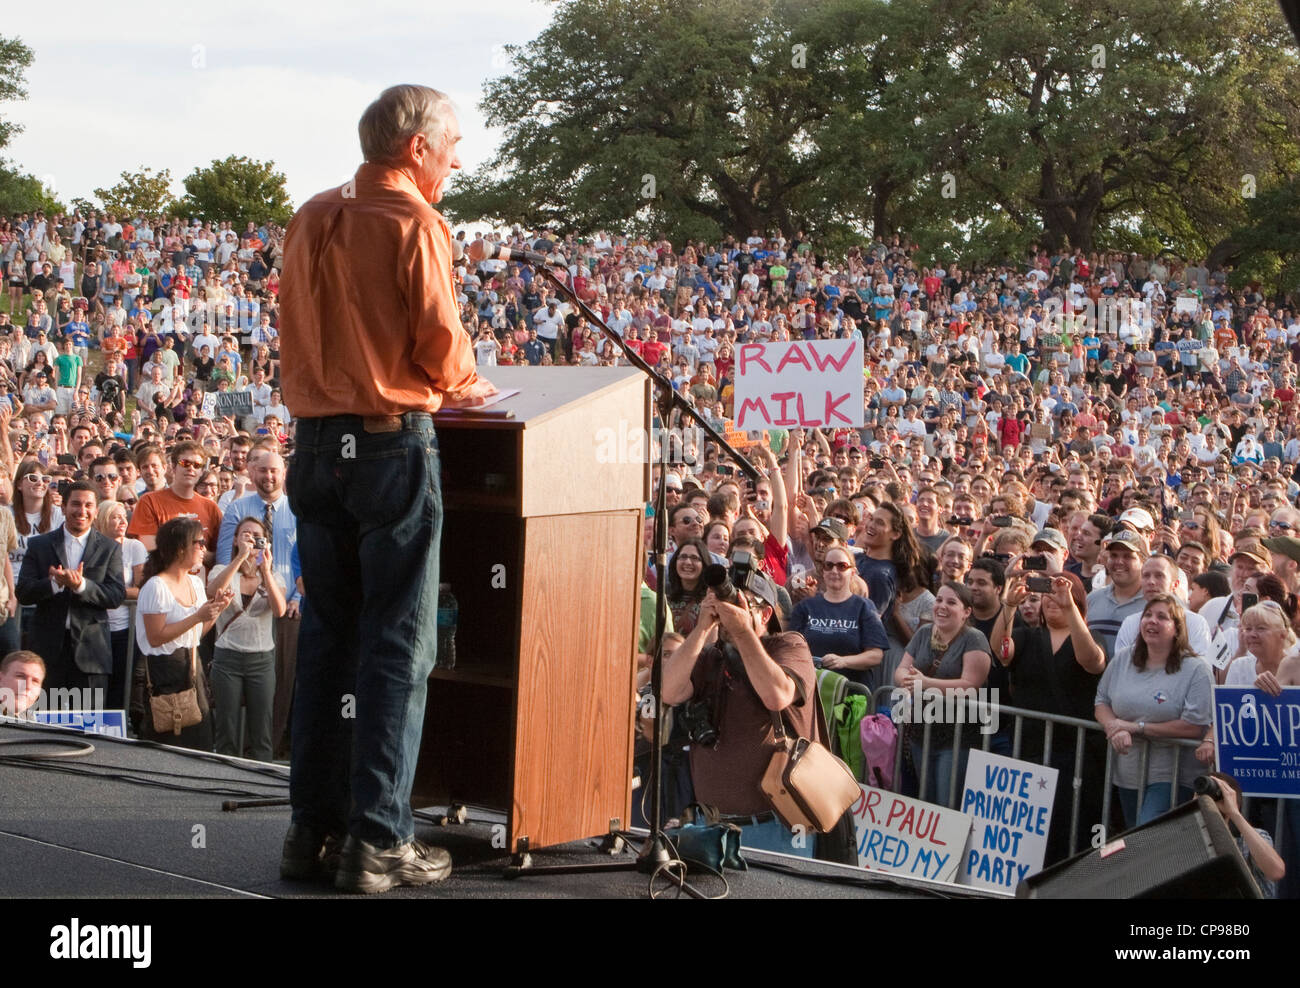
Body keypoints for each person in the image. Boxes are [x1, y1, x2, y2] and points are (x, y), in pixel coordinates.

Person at [280, 85, 497, 893]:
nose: (457, 160)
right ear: (417, 149)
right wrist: (468, 383)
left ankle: (311, 832)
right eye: (452, 146)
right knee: (395, 649)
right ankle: (378, 842)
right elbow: (443, 350)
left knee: (328, 642)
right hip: (387, 448)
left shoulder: (308, 216)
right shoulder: (414, 222)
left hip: (312, 449)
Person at [661, 568, 820, 857]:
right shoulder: (711, 655)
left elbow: (776, 695)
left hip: (775, 826)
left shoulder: (789, 646)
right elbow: (668, 692)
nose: (729, 613)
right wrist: (702, 628)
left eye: (739, 605)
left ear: (766, 614)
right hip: (710, 825)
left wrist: (744, 631)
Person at [992, 571, 1107, 863]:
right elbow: (1002, 651)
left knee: (1070, 827)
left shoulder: (1092, 637)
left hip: (1075, 754)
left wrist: (1069, 609)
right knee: (1030, 833)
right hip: (1029, 748)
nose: (1051, 600)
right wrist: (1009, 606)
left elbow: (1091, 662)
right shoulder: (1028, 636)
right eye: (1047, 594)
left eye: (1059, 593)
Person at [1094, 593, 1214, 827]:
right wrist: (1113, 727)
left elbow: (1194, 725)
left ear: (1177, 628)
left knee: (1145, 834)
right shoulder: (1123, 658)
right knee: (1134, 835)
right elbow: (1101, 701)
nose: (1152, 621)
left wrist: (1136, 727)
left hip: (1172, 773)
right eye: (1147, 615)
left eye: (1162, 617)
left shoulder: (1196, 669)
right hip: (1128, 771)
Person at [15, 483, 124, 705]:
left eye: (88, 505)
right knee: (42, 727)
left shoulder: (109, 548)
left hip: (91, 655)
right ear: (63, 507)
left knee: (86, 729)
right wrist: (54, 584)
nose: (81, 511)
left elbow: (115, 595)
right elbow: (24, 592)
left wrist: (81, 585)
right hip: (46, 653)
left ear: (96, 510)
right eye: (75, 504)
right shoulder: (39, 545)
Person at [135, 518, 232, 751]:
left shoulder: (195, 583)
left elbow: (197, 634)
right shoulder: (156, 586)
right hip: (163, 673)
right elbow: (155, 636)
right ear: (180, 548)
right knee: (167, 743)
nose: (204, 549)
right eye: (199, 543)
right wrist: (198, 616)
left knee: (201, 740)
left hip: (192, 669)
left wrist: (216, 611)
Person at [894, 581, 991, 807]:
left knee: (947, 803)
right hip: (921, 733)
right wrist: (907, 680)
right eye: (938, 600)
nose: (941, 606)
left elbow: (970, 685)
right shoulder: (924, 633)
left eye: (951, 602)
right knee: (926, 801)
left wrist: (925, 683)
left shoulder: (974, 638)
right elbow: (900, 670)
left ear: (966, 612)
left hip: (957, 738)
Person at [207, 517, 286, 761]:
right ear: (235, 539)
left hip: (260, 660)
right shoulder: (223, 570)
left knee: (261, 731)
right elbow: (212, 592)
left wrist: (265, 570)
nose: (251, 539)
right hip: (227, 657)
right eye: (246, 534)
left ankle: (259, 783)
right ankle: (225, 779)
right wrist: (241, 557)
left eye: (256, 535)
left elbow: (279, 609)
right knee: (226, 729)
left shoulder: (275, 575)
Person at [788, 543, 889, 687]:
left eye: (842, 566)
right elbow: (791, 648)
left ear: (852, 572)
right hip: (812, 689)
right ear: (823, 571)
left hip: (852, 692)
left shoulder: (864, 607)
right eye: (828, 565)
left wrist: (843, 661)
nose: (834, 571)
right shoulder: (806, 606)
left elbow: (876, 655)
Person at [92, 500, 147, 716]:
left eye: (124, 516)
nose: (122, 521)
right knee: (96, 682)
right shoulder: (92, 546)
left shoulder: (135, 547)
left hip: (125, 627)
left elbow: (141, 589)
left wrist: (106, 592)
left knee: (121, 682)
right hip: (95, 626)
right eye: (115, 516)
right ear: (103, 519)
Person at [665, 538, 709, 636]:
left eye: (694, 558)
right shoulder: (663, 595)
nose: (688, 562)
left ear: (704, 564)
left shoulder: (710, 599)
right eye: (683, 557)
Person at [0, 650, 44, 716]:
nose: (28, 686)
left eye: (35, 681)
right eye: (20, 676)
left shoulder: (33, 722)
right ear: (1, 679)